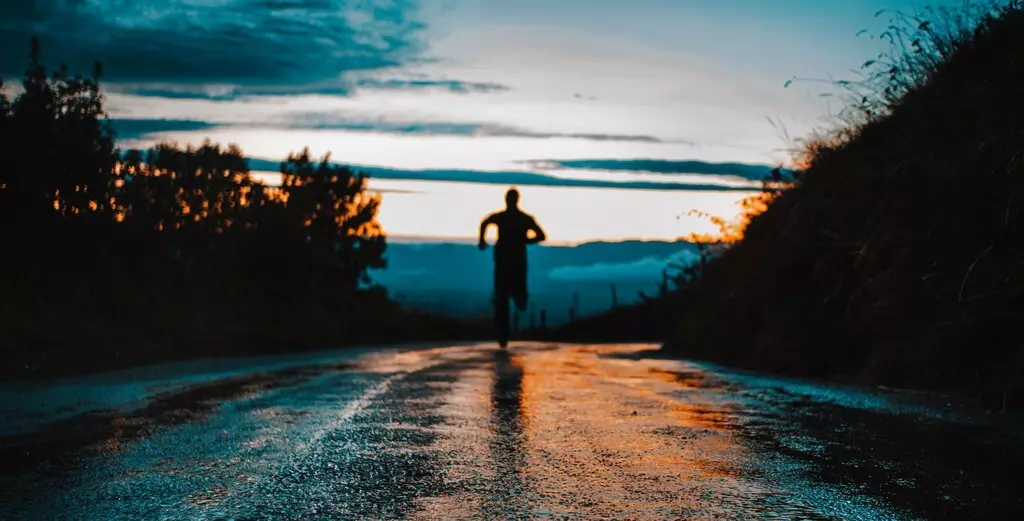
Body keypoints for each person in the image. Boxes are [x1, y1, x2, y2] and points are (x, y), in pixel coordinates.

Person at [479, 188, 547, 348]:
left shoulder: (508, 217)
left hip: (507, 261)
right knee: (504, 297)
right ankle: (503, 333)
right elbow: (541, 236)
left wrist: (482, 240)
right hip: (513, 261)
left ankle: (504, 330)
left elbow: (485, 222)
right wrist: (525, 240)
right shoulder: (524, 218)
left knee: (504, 296)